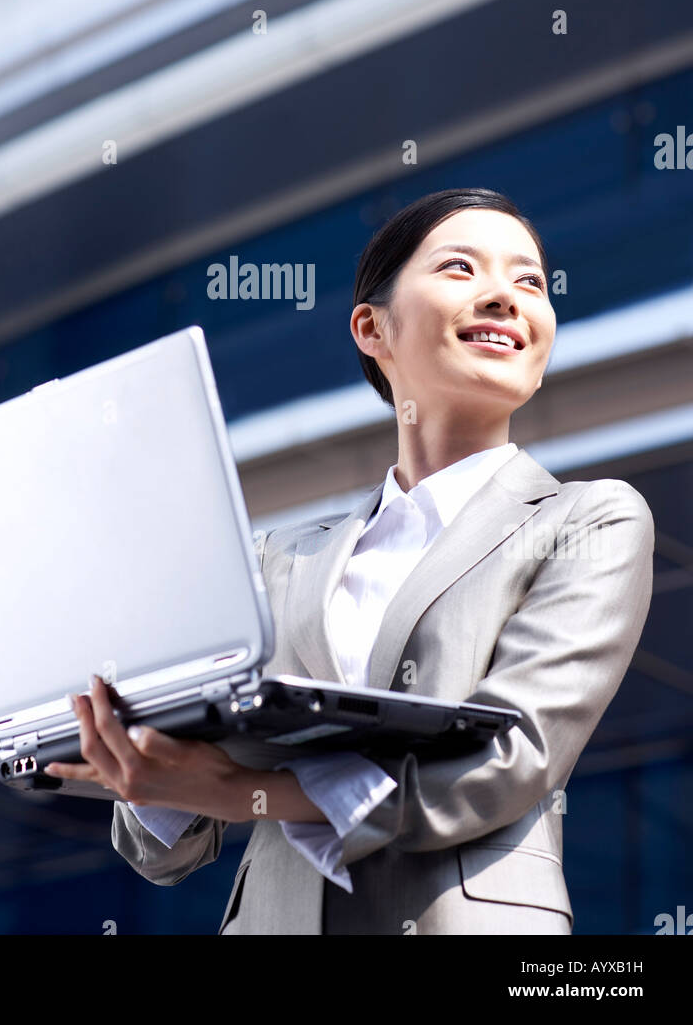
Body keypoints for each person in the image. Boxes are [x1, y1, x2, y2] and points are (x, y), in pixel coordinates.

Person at [44, 187, 654, 935]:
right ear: (373, 327)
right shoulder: (279, 558)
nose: (505, 296)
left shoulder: (588, 519)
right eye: (461, 268)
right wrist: (149, 772)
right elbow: (163, 854)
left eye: (530, 282)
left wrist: (250, 794)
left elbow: (511, 759)